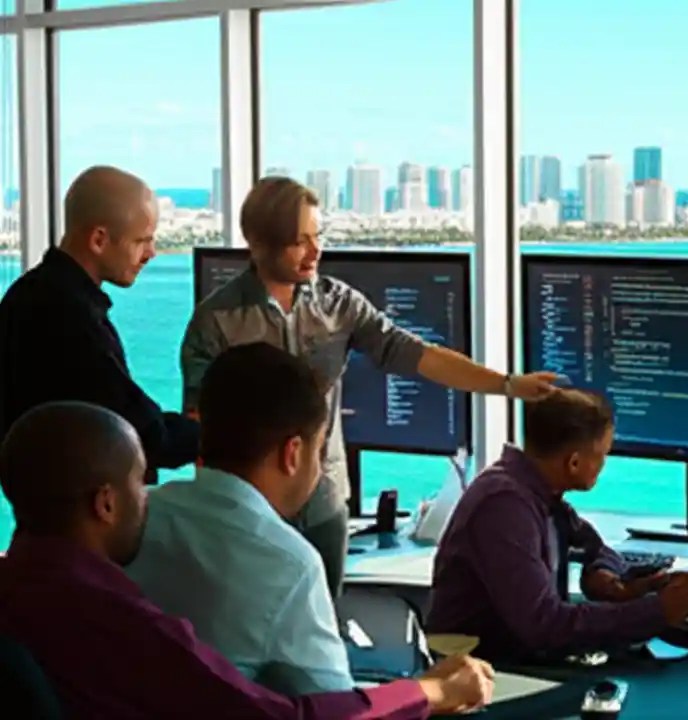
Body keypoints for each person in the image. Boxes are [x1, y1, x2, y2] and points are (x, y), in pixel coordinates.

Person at [180, 176, 558, 600]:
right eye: (298, 241)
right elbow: (201, 431)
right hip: (250, 507)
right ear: (259, 243)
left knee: (325, 625)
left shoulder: (339, 304)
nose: (315, 251)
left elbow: (416, 354)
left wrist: (507, 385)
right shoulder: (216, 321)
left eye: (317, 235)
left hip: (323, 498)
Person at [0, 401, 494, 718]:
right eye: (139, 483)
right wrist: (426, 693)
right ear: (105, 503)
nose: (147, 498)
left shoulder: (22, 588)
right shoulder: (111, 621)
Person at [127, 342, 450, 697]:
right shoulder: (289, 564)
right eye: (319, 449)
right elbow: (337, 706)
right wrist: (430, 692)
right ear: (292, 453)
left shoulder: (135, 520)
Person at [427, 389, 688, 662]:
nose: (605, 463)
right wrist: (660, 611)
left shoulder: (538, 493)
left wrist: (611, 580)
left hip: (516, 656)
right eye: (603, 455)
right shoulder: (505, 507)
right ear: (574, 462)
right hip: (483, 670)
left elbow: (595, 546)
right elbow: (546, 625)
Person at [0, 166, 198, 481]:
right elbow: (138, 432)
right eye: (141, 241)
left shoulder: (30, 295)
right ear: (99, 239)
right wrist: (214, 436)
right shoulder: (68, 317)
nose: (151, 253)